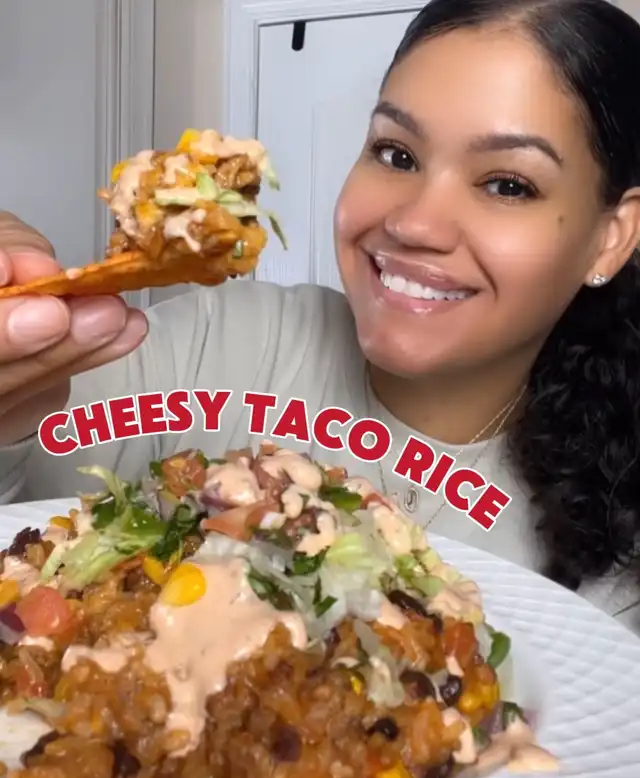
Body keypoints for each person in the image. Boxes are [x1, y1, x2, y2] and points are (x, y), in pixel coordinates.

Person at [1, 0, 640, 631]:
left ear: (611, 238)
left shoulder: (616, 556)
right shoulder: (212, 347)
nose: (414, 224)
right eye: (397, 154)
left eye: (508, 185)